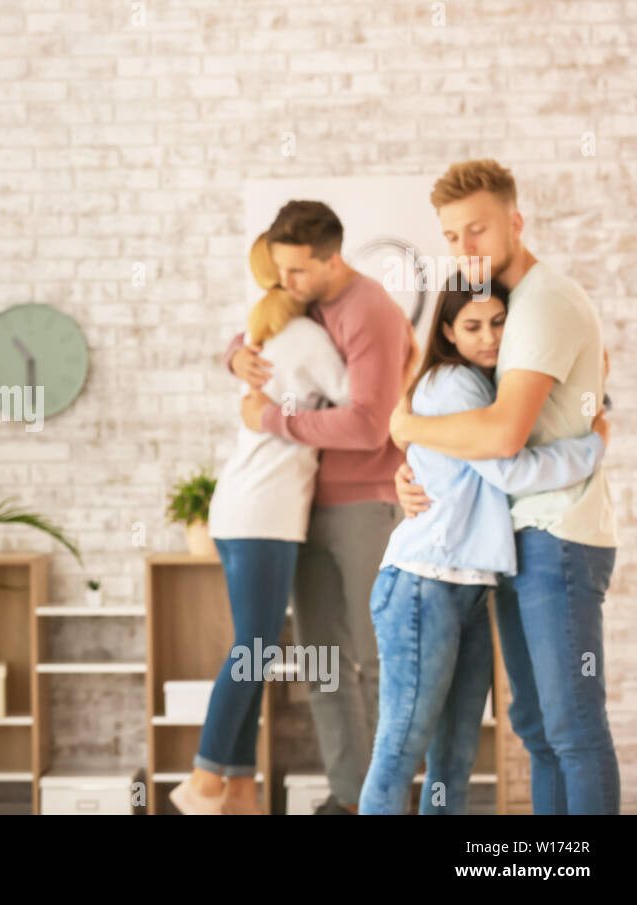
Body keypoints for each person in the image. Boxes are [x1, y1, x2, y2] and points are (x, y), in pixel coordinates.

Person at [390, 159, 620, 814]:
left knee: (572, 729)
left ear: (515, 223)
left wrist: (406, 424)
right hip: (521, 538)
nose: (464, 248)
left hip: (559, 535)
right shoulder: (508, 306)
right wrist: (414, 462)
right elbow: (478, 426)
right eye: (451, 235)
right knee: (540, 730)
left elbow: (503, 435)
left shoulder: (542, 301)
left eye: (478, 229)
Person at [225, 201, 414, 813]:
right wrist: (235, 353)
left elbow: (368, 426)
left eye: (298, 272)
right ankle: (349, 797)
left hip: (364, 504)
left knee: (372, 660)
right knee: (325, 664)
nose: (286, 283)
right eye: (280, 271)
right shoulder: (305, 298)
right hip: (302, 507)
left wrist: (271, 419)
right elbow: (266, 329)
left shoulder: (372, 313)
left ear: (333, 259)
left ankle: (388, 799)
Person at [171, 235, 348, 815]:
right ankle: (202, 782)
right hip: (265, 513)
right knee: (252, 648)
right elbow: (363, 403)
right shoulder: (307, 338)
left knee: (257, 647)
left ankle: (240, 790)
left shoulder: (264, 335)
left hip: (244, 510)